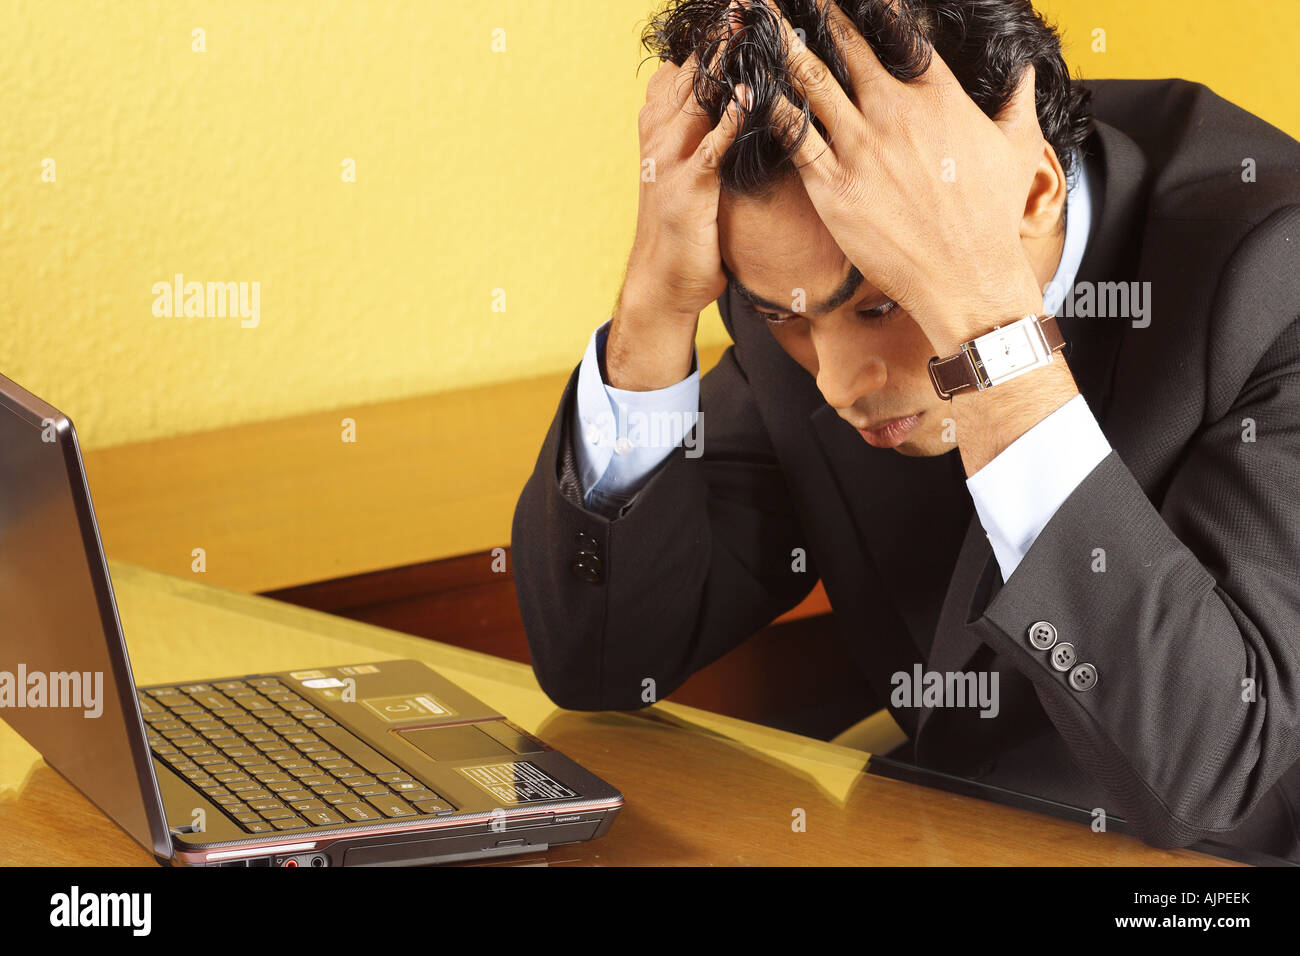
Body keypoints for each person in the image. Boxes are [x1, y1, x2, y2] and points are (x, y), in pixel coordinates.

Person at [511, 0, 1300, 859]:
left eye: (884, 301)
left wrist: (987, 327)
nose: (841, 383)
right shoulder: (805, 279)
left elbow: (1219, 772)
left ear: (1037, 190)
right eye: (781, 318)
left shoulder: (1277, 274)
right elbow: (603, 659)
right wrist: (654, 307)